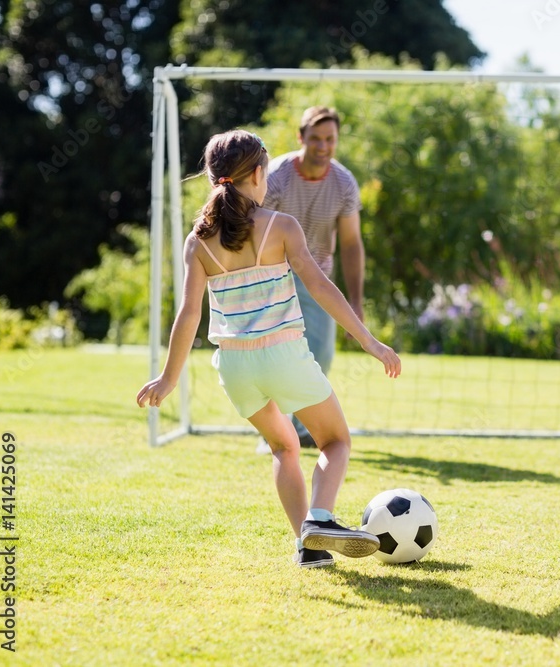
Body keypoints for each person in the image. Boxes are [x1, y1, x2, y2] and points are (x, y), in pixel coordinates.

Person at [136, 130, 401, 569]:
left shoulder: (197, 241)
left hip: (235, 368)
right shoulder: (281, 226)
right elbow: (320, 287)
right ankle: (320, 518)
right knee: (335, 441)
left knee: (283, 449)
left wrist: (168, 378)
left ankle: (308, 547)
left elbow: (188, 316)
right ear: (259, 174)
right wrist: (368, 340)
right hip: (283, 355)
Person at [260, 105, 366, 450]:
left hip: (317, 279)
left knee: (320, 354)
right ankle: (277, 432)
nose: (323, 146)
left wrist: (356, 301)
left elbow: (351, 243)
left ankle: (303, 426)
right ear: (301, 137)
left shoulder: (344, 182)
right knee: (275, 353)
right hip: (273, 277)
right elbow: (257, 233)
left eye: (330, 139)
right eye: (316, 138)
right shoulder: (275, 177)